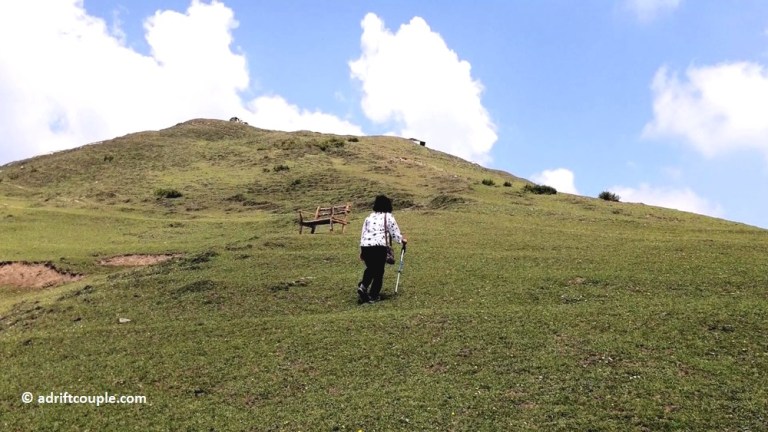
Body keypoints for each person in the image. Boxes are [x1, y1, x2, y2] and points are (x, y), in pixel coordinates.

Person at [357, 195, 407, 303]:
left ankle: (363, 286)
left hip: (366, 246)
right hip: (379, 247)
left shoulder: (368, 218)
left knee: (370, 268)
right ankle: (373, 295)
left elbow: (363, 233)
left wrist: (361, 250)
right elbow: (394, 232)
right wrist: (402, 240)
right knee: (379, 271)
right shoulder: (388, 217)